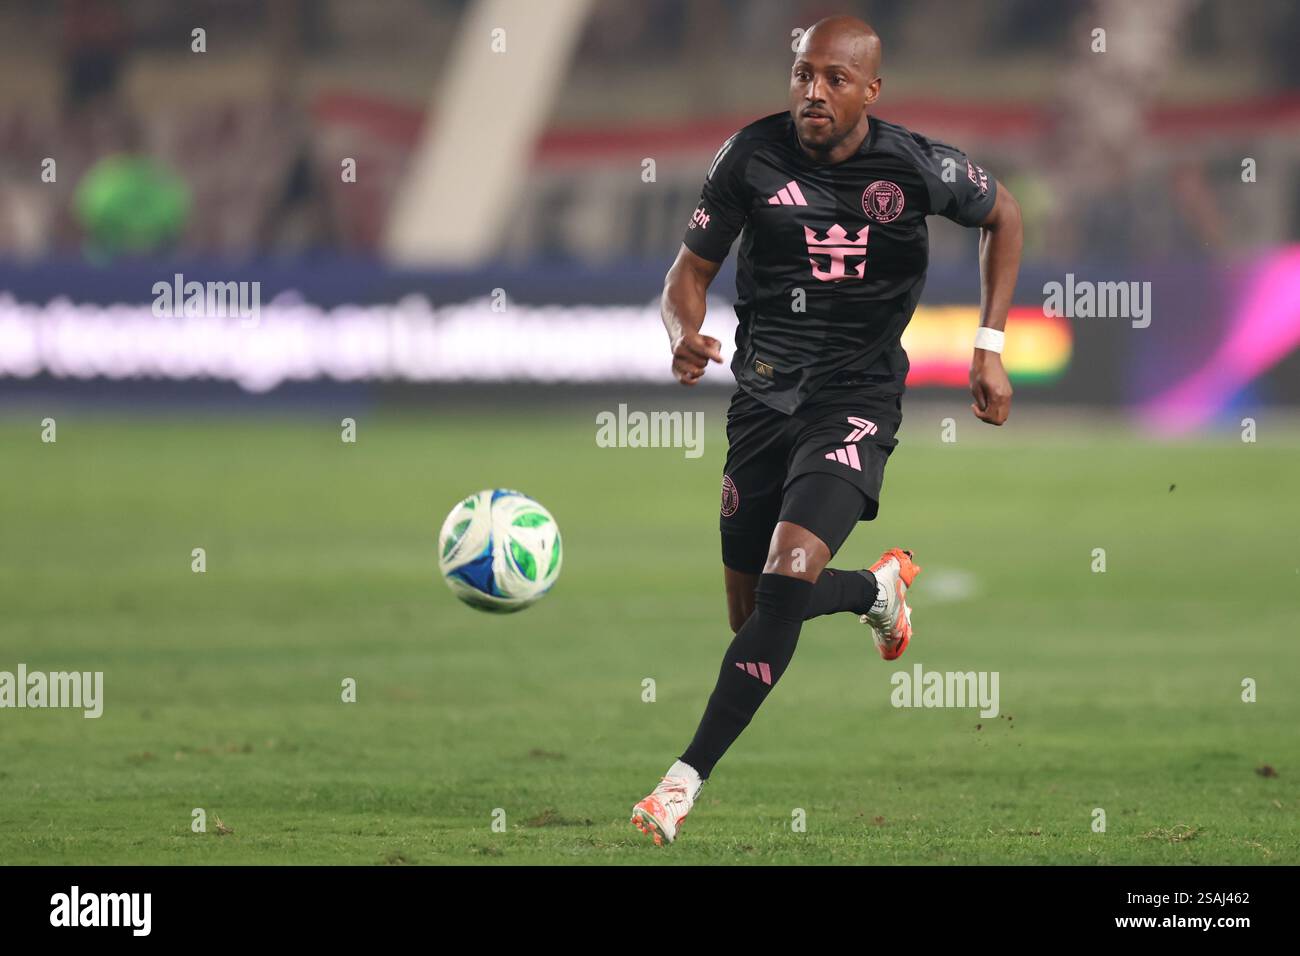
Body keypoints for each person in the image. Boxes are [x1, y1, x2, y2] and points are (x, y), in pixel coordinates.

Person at [631, 15, 1022, 846]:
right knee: (754, 618)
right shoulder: (750, 157)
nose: (814, 90)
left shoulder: (915, 165)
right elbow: (687, 274)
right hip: (762, 401)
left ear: (871, 92)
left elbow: (1006, 216)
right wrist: (681, 333)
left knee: (784, 579)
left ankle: (680, 783)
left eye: (835, 79)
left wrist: (989, 346)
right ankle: (873, 591)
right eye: (804, 74)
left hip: (856, 398)